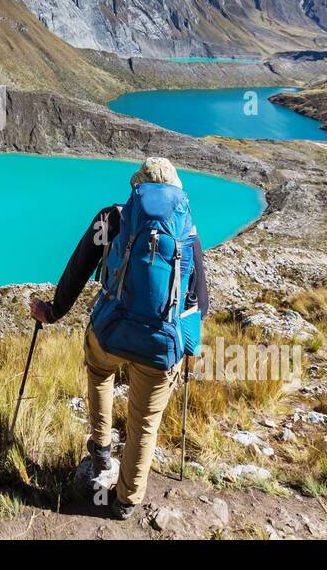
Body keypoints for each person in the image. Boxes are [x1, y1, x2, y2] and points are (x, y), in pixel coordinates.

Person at [29, 156, 209, 520]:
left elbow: (78, 269)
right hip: (162, 346)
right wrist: (185, 343)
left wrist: (51, 311)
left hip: (110, 332)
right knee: (144, 423)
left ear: (137, 187)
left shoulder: (111, 218)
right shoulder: (187, 232)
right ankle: (127, 501)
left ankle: (101, 448)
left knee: (100, 374)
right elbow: (200, 302)